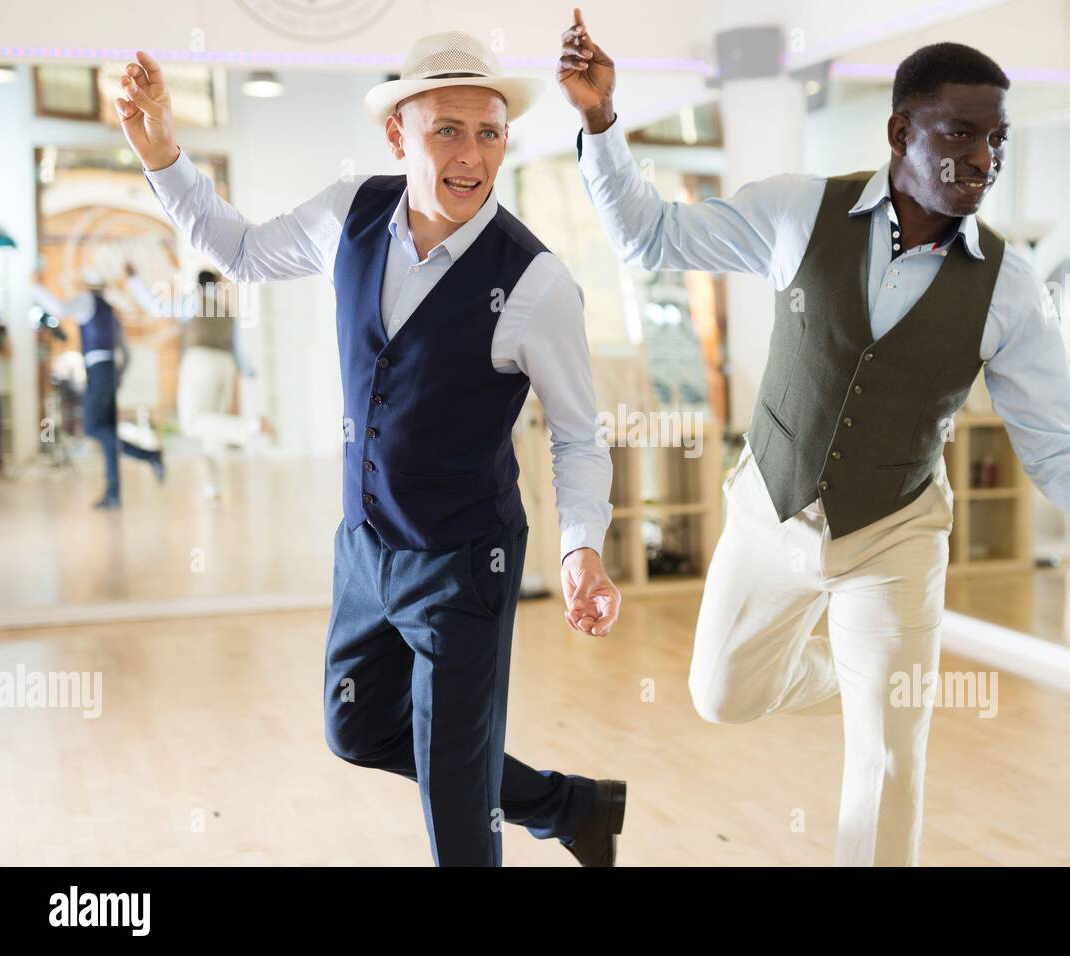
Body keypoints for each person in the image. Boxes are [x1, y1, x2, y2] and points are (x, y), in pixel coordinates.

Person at [557, 10, 1070, 866]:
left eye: (997, 141)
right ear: (900, 129)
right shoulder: (797, 211)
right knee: (721, 694)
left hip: (896, 535)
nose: (983, 160)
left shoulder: (1010, 286)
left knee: (891, 759)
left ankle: (887, 694)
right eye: (960, 134)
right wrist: (601, 122)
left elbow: (1058, 449)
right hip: (770, 512)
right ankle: (860, 683)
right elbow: (650, 236)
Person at [116, 31, 627, 867]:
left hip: (465, 561)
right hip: (363, 548)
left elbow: (577, 435)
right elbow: (240, 250)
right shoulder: (348, 212)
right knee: (354, 729)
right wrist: (164, 152)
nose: (472, 156)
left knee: (456, 806)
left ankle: (550, 808)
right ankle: (568, 804)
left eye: (489, 133)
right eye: (448, 131)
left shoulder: (535, 283)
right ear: (399, 135)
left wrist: (581, 549)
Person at [125, 262, 264, 502]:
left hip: (200, 361)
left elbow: (156, 306)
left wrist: (134, 280)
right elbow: (238, 350)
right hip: (226, 366)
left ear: (198, 284)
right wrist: (248, 372)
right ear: (216, 285)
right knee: (213, 428)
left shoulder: (193, 301)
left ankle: (249, 427)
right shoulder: (226, 311)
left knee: (191, 422)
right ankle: (214, 488)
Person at [32, 268, 164, 508]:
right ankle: (113, 493)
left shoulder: (86, 300)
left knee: (94, 428)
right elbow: (127, 351)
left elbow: (60, 310)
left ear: (87, 286)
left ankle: (148, 456)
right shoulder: (111, 311)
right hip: (111, 370)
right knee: (107, 430)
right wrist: (118, 375)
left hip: (99, 369)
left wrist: (36, 287)